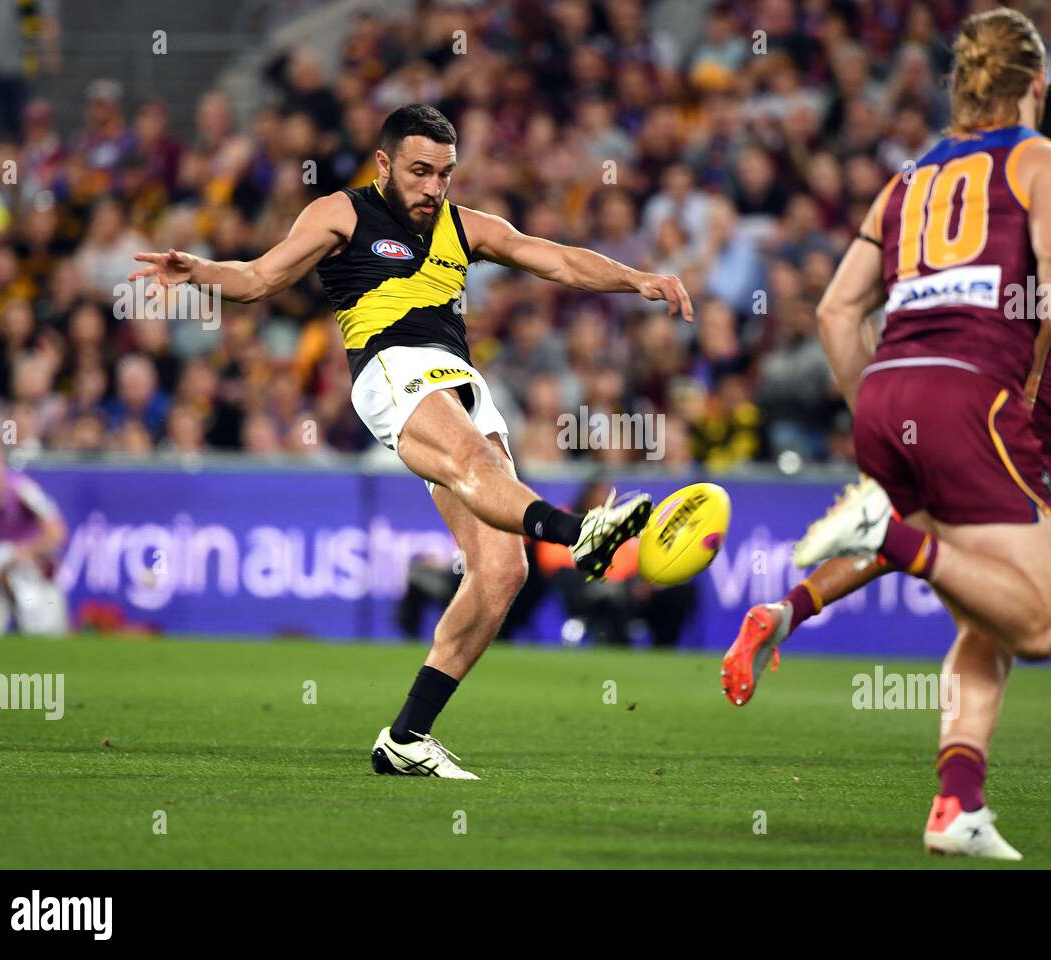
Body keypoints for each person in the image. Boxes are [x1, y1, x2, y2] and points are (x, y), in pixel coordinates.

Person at [131, 104, 693, 779]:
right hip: (390, 368)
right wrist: (203, 271)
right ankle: (579, 534)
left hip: (459, 382)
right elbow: (261, 277)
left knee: (502, 571)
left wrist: (638, 278)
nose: (434, 187)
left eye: (446, 174)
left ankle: (406, 738)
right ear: (385, 164)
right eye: (422, 171)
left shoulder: (466, 227)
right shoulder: (340, 213)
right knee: (477, 465)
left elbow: (560, 261)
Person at [724, 74, 1051, 768]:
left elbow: (846, 308)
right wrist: (1047, 390)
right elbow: (1045, 300)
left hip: (940, 390)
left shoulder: (966, 186)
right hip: (1029, 409)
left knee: (939, 539)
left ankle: (788, 609)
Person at [728, 8, 1051, 860]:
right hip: (973, 394)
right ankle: (893, 540)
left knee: (988, 610)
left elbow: (834, 311)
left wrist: (884, 409)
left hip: (889, 388)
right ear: (1035, 86)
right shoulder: (1043, 159)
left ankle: (956, 804)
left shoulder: (906, 178)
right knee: (1046, 623)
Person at [0, 435, 68, 636]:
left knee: (49, 631)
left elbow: (57, 530)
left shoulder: (21, 489)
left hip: (36, 564)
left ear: (0, 462)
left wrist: (27, 550)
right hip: (1, 564)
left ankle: (10, 615)